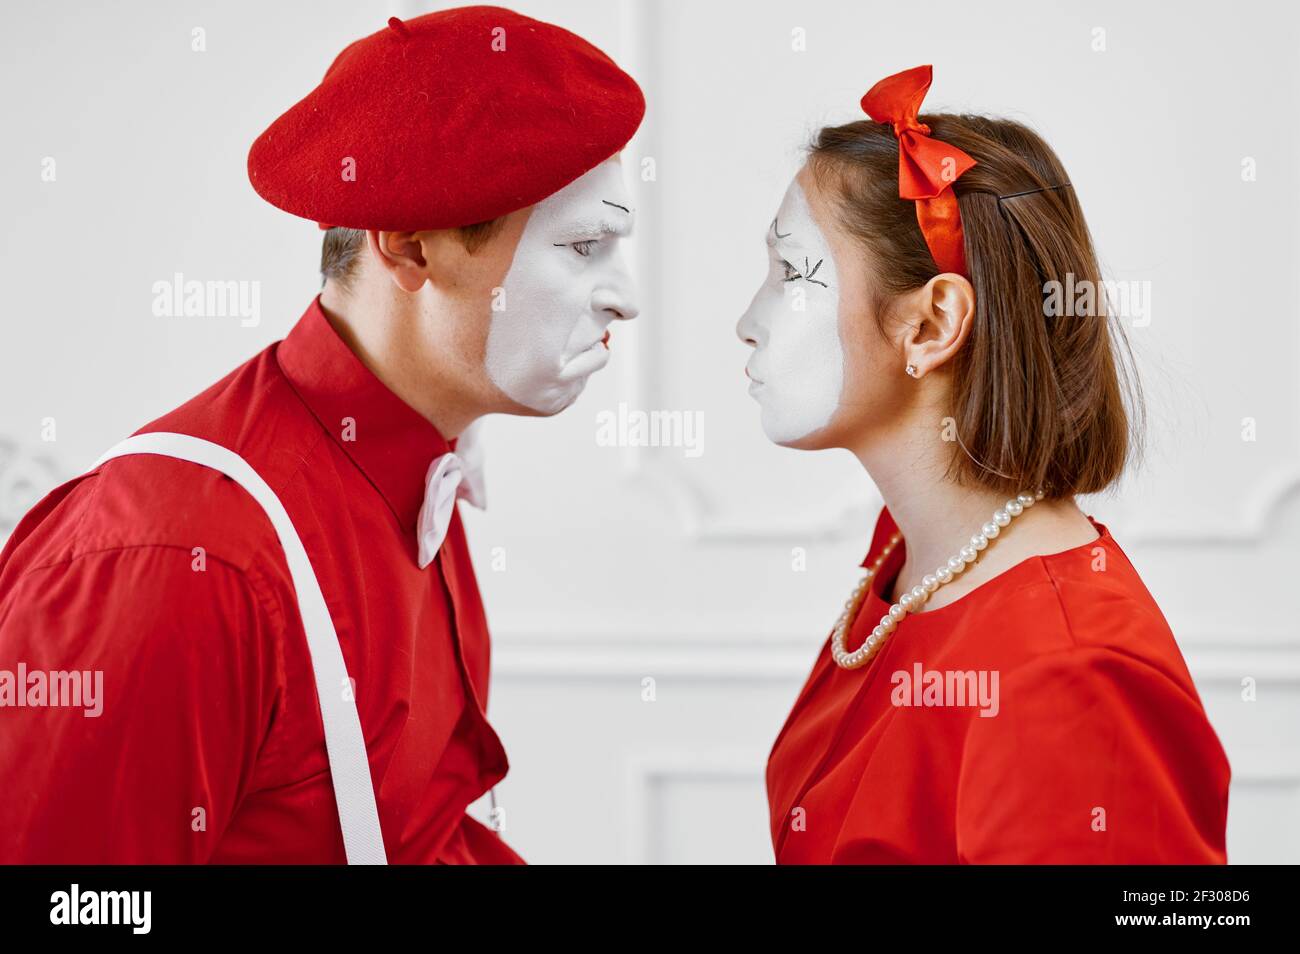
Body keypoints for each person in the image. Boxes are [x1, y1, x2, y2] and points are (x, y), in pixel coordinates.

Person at [0, 6, 642, 863]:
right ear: (410, 249)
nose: (625, 297)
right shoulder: (178, 562)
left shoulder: (423, 471)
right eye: (586, 246)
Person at [739, 65, 1230, 863]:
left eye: (793, 273)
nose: (748, 323)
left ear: (932, 324)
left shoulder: (1071, 676)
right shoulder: (906, 560)